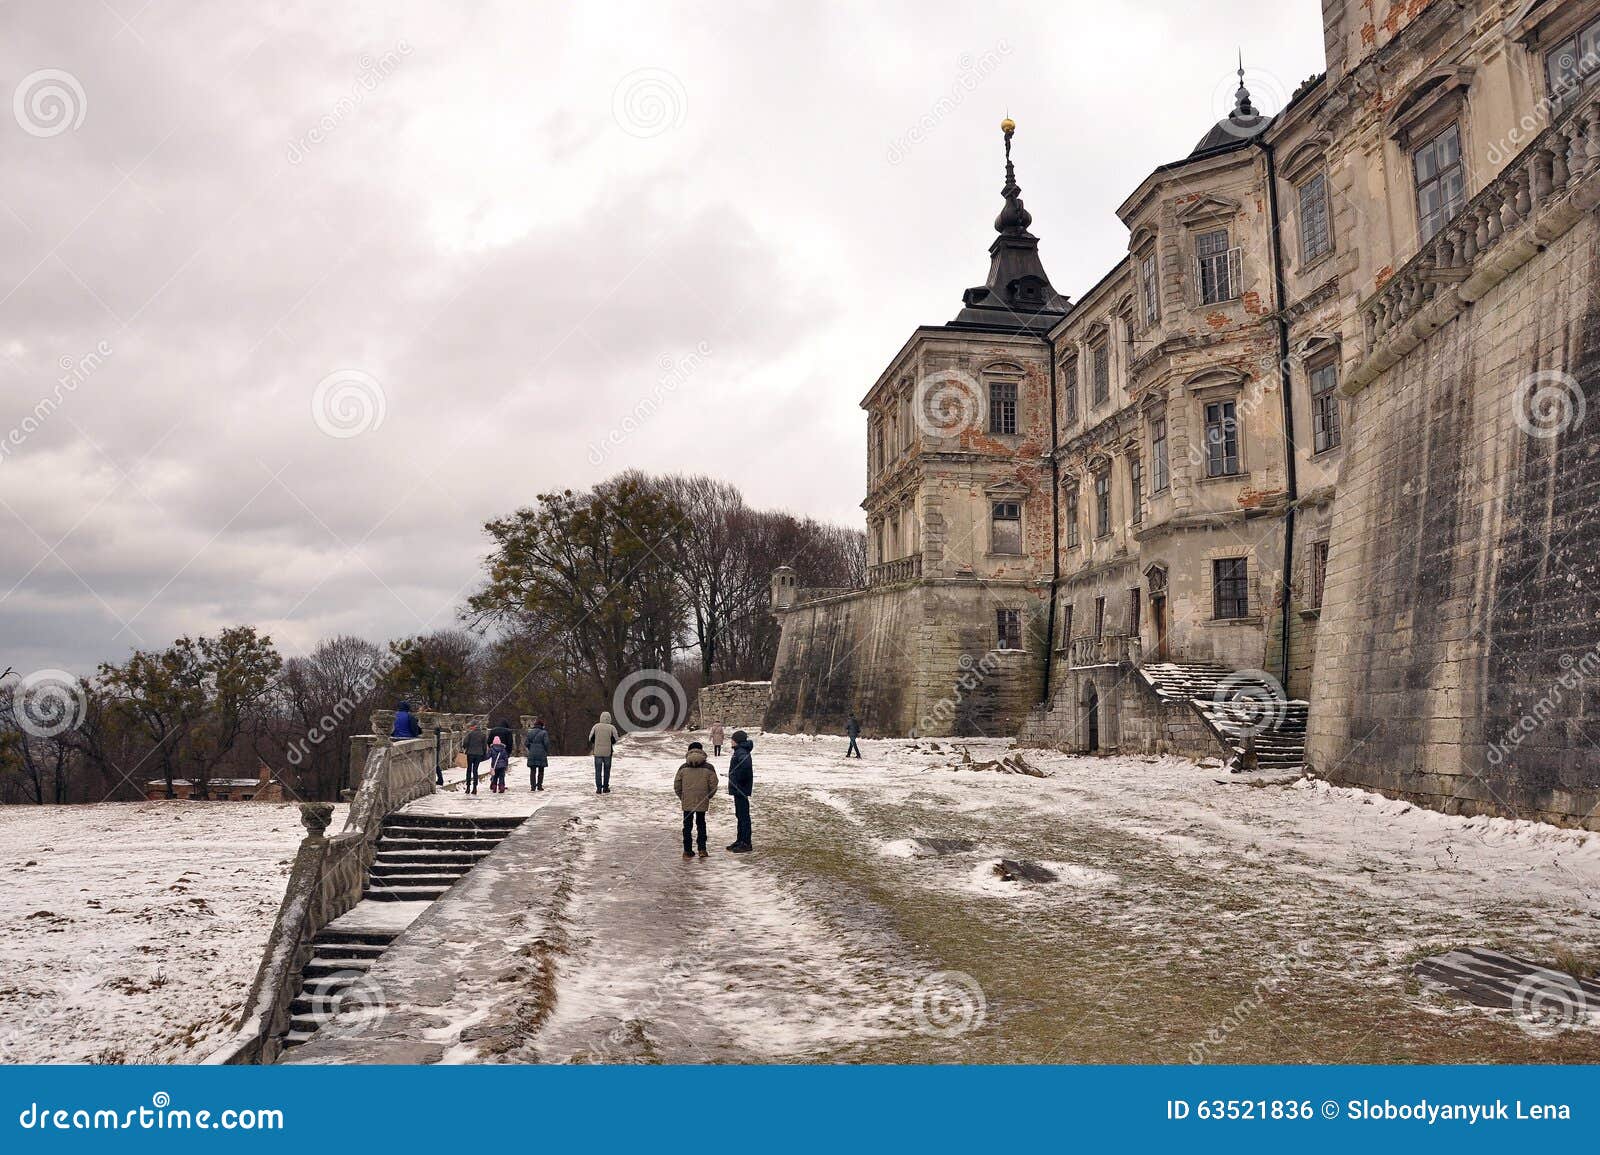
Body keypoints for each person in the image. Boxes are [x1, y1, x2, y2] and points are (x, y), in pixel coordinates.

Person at [673, 741, 718, 859]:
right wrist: (707, 796)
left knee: (687, 826)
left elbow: (677, 785)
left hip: (687, 800)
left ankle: (687, 851)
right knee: (701, 824)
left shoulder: (683, 767)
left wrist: (682, 797)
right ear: (701, 751)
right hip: (701, 799)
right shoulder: (709, 767)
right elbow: (714, 785)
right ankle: (702, 849)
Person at [726, 730, 754, 853]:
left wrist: (737, 779)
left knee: (743, 816)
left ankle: (746, 843)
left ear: (737, 741)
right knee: (740, 815)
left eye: (732, 739)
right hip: (739, 789)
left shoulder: (741, 752)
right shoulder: (739, 751)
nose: (731, 741)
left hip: (740, 789)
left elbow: (746, 767)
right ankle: (740, 840)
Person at [588, 710, 620, 794]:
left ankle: (599, 788)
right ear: (609, 719)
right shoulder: (611, 727)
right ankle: (605, 787)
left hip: (597, 752)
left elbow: (590, 738)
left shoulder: (596, 726)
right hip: (607, 752)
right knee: (607, 770)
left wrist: (596, 742)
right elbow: (616, 738)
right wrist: (611, 742)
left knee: (598, 771)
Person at [525, 718, 550, 792]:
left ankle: (533, 786)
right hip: (541, 753)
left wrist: (531, 748)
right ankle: (539, 786)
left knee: (532, 771)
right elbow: (546, 743)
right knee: (541, 770)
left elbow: (526, 743)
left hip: (532, 752)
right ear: (542, 725)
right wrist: (546, 750)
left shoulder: (530, 732)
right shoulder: (544, 733)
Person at [463, 723, 487, 795]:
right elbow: (484, 746)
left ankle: (468, 787)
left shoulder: (470, 734)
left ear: (474, 728)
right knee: (475, 770)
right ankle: (475, 787)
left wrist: (465, 747)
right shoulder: (483, 735)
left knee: (469, 770)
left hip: (470, 753)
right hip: (479, 754)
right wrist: (484, 754)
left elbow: (465, 742)